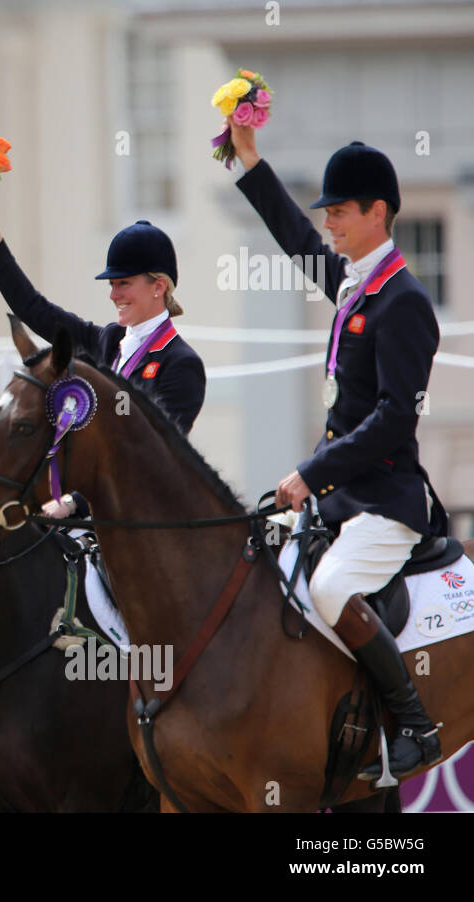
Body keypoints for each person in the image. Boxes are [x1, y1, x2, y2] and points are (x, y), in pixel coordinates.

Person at [230, 125, 446, 779]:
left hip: (385, 500)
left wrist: (310, 473)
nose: (328, 221)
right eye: (326, 210)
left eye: (340, 210)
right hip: (341, 499)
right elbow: (297, 241)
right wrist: (249, 164)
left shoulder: (403, 302)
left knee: (326, 589)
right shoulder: (356, 286)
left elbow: (390, 422)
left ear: (377, 212)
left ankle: (414, 724)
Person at [0, 186, 207, 521]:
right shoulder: (107, 342)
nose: (113, 294)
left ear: (158, 286)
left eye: (123, 283)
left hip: (144, 525)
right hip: (88, 516)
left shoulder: (181, 364)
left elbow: (151, 457)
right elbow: (34, 308)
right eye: (111, 285)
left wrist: (75, 502)